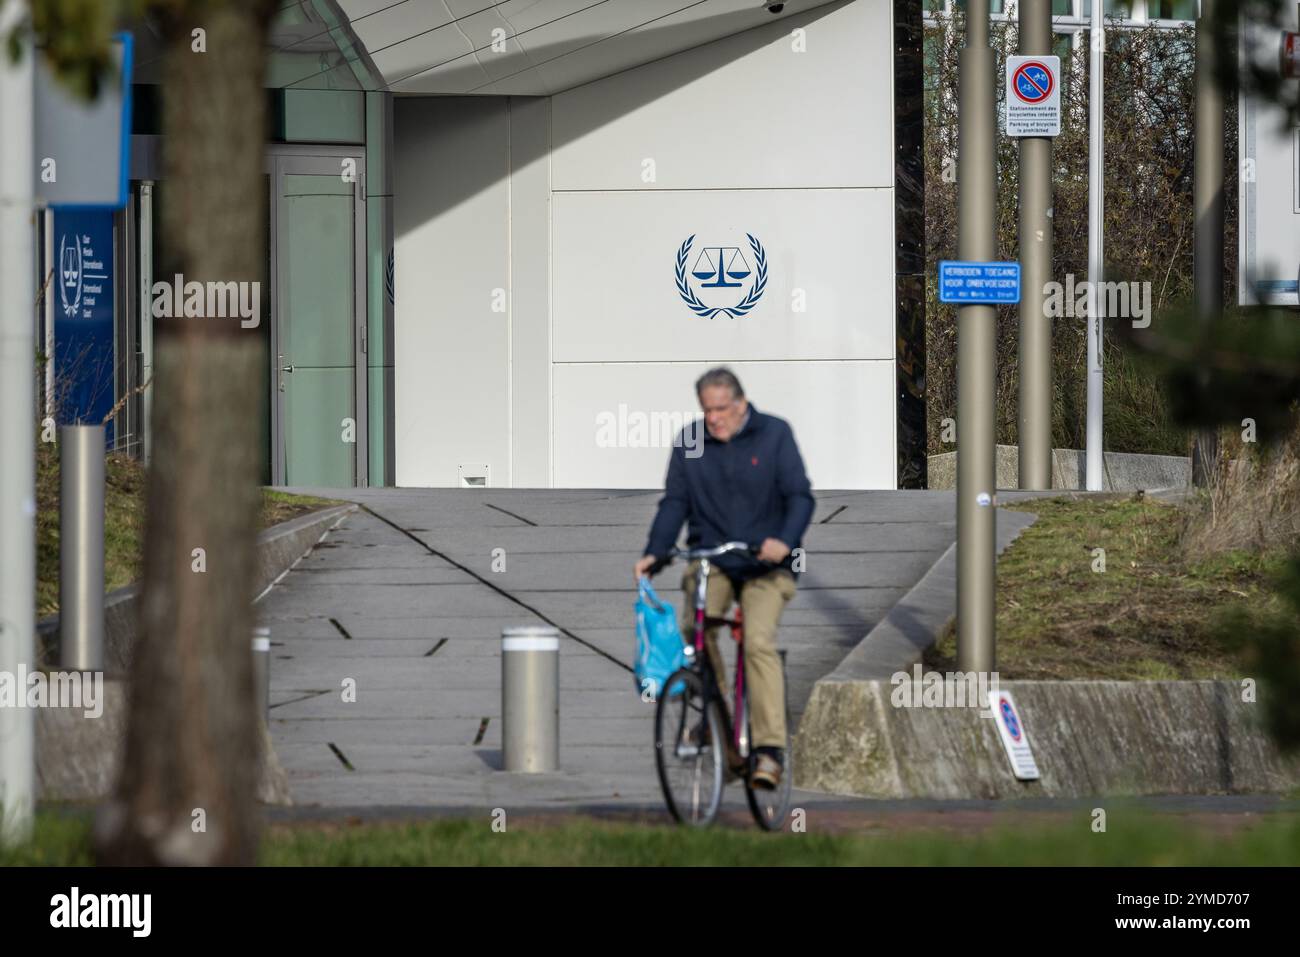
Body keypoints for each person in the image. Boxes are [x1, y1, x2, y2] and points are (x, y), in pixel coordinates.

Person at [633, 367, 814, 789]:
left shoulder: (774, 435)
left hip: (765, 565)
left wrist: (784, 541)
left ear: (740, 404)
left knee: (756, 642)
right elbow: (674, 502)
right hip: (712, 560)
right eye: (706, 410)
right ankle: (717, 719)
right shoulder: (691, 443)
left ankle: (769, 751)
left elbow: (800, 496)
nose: (713, 419)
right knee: (693, 630)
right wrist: (654, 552)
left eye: (721, 409)